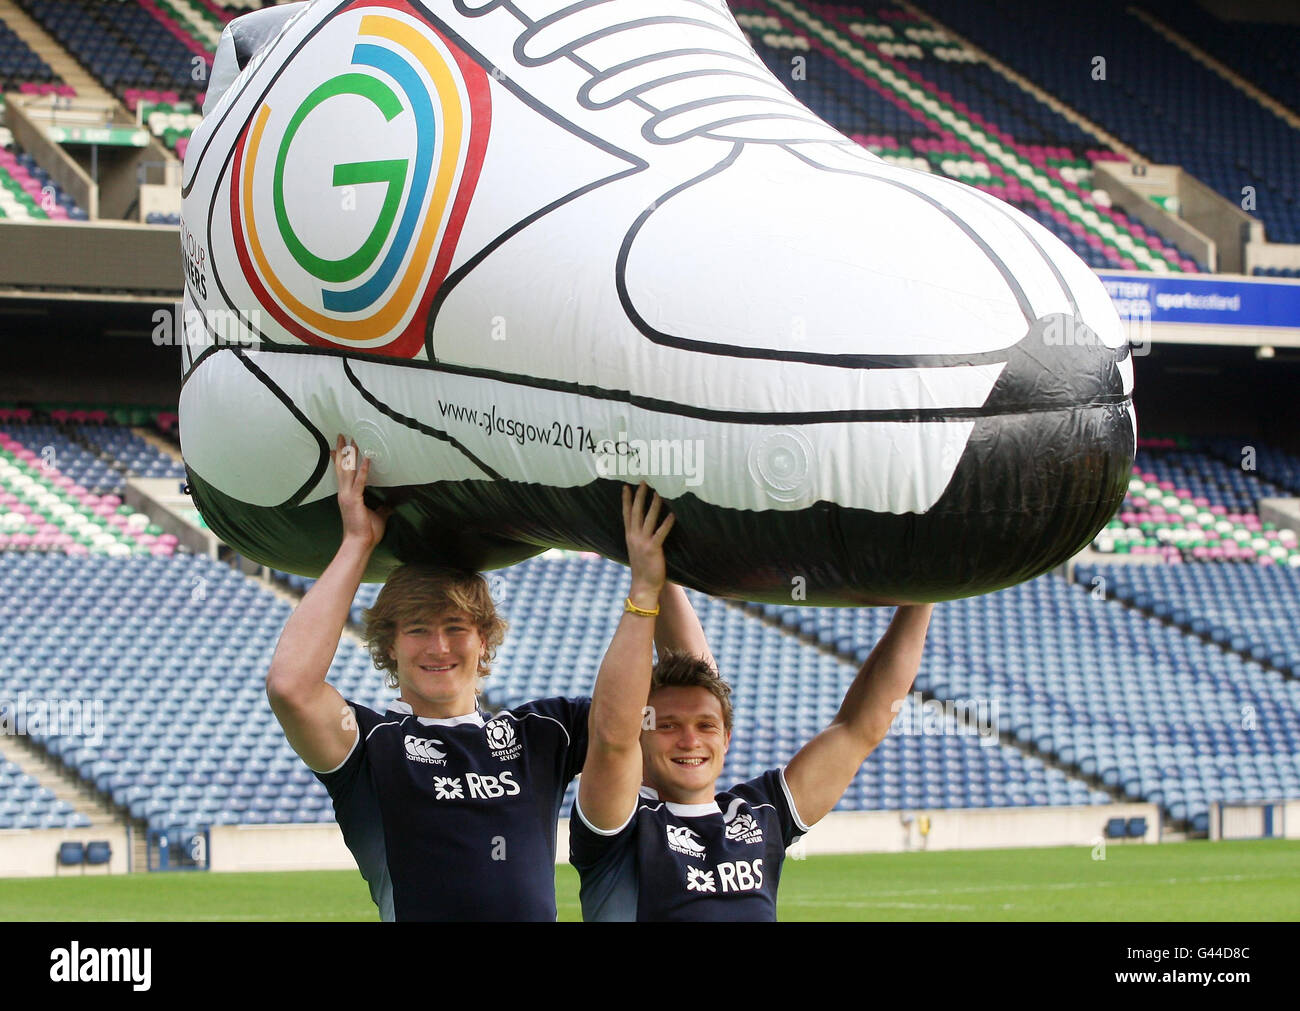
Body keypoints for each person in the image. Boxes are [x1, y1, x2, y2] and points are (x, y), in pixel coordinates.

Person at [570, 483, 935, 920]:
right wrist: (646, 588)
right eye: (667, 726)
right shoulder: (624, 826)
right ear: (641, 736)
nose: (690, 740)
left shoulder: (758, 816)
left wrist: (924, 593)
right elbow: (612, 737)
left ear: (727, 738)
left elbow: (860, 728)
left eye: (706, 726)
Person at [266, 435, 589, 921]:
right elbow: (290, 687)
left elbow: (692, 696)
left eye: (455, 628)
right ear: (389, 644)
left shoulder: (544, 733)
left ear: (483, 639)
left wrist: (655, 580)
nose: (438, 647)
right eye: (418, 630)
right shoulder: (370, 746)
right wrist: (358, 543)